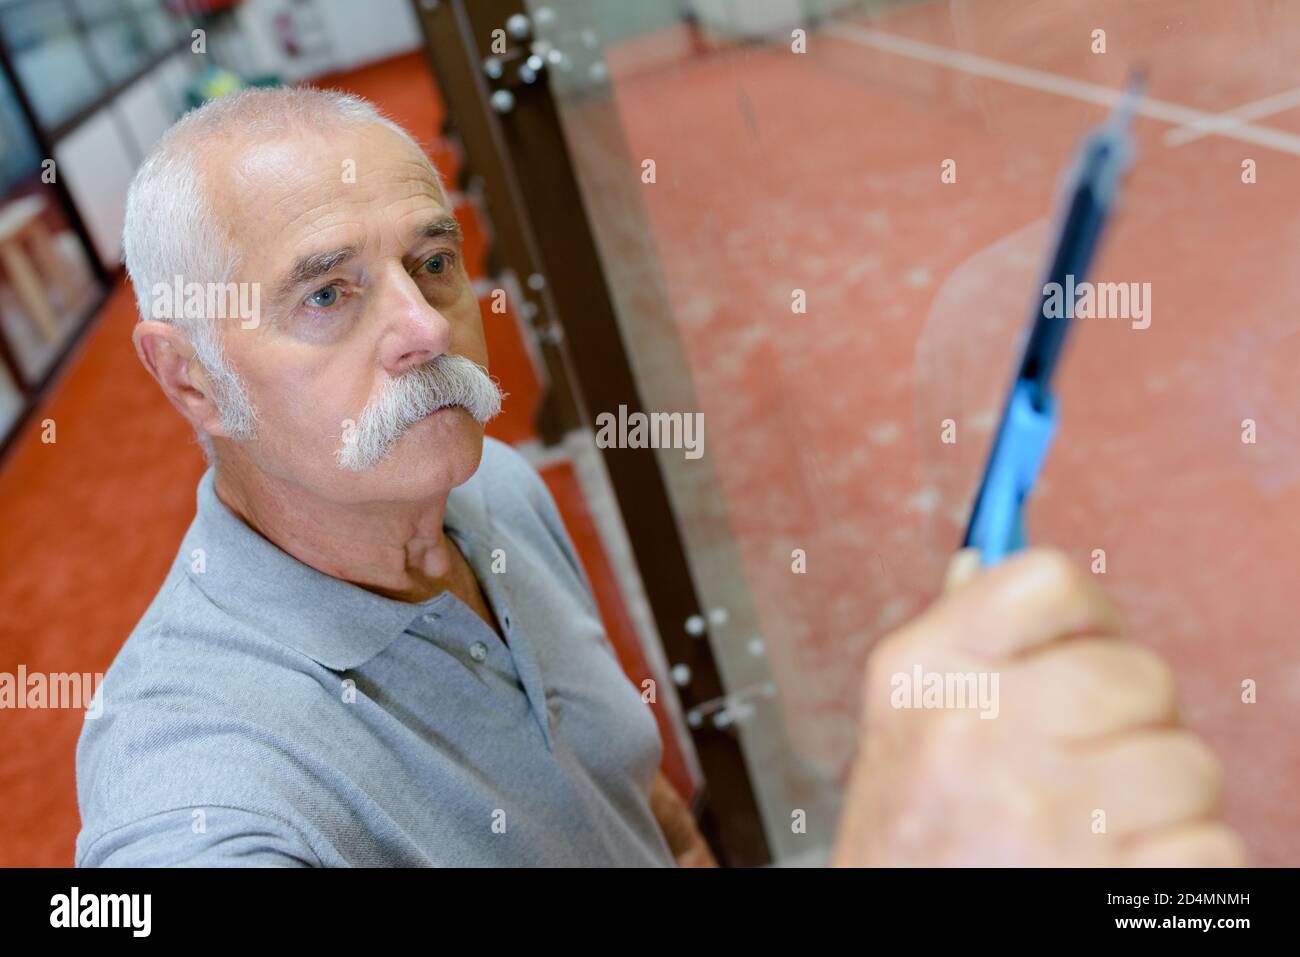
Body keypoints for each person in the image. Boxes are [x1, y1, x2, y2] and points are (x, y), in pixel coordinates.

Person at [75, 87, 1240, 867]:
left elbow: (629, 803)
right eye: (326, 294)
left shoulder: (494, 499)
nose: (427, 328)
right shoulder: (199, 779)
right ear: (189, 382)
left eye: (433, 262)